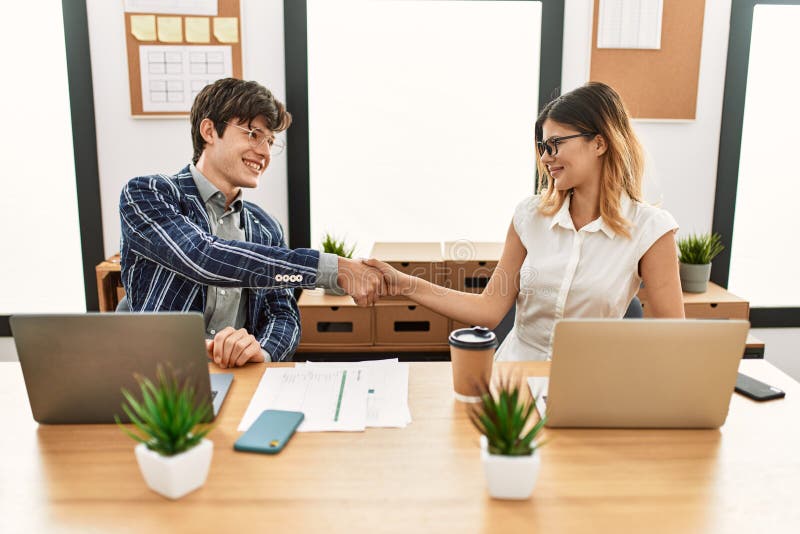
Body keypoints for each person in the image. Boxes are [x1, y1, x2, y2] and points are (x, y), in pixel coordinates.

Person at [366, 82, 685, 361]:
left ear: (599, 143)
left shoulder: (651, 229)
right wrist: (404, 283)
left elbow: (673, 340)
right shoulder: (529, 216)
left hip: (589, 383)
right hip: (514, 377)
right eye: (543, 147)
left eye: (555, 144)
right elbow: (488, 310)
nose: (545, 158)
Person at [120, 78, 383, 367]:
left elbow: (283, 315)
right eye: (253, 134)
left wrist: (262, 352)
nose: (265, 153)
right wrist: (332, 268)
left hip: (239, 377)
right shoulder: (148, 194)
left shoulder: (266, 227)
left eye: (269, 141)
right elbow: (202, 256)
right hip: (159, 375)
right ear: (209, 131)